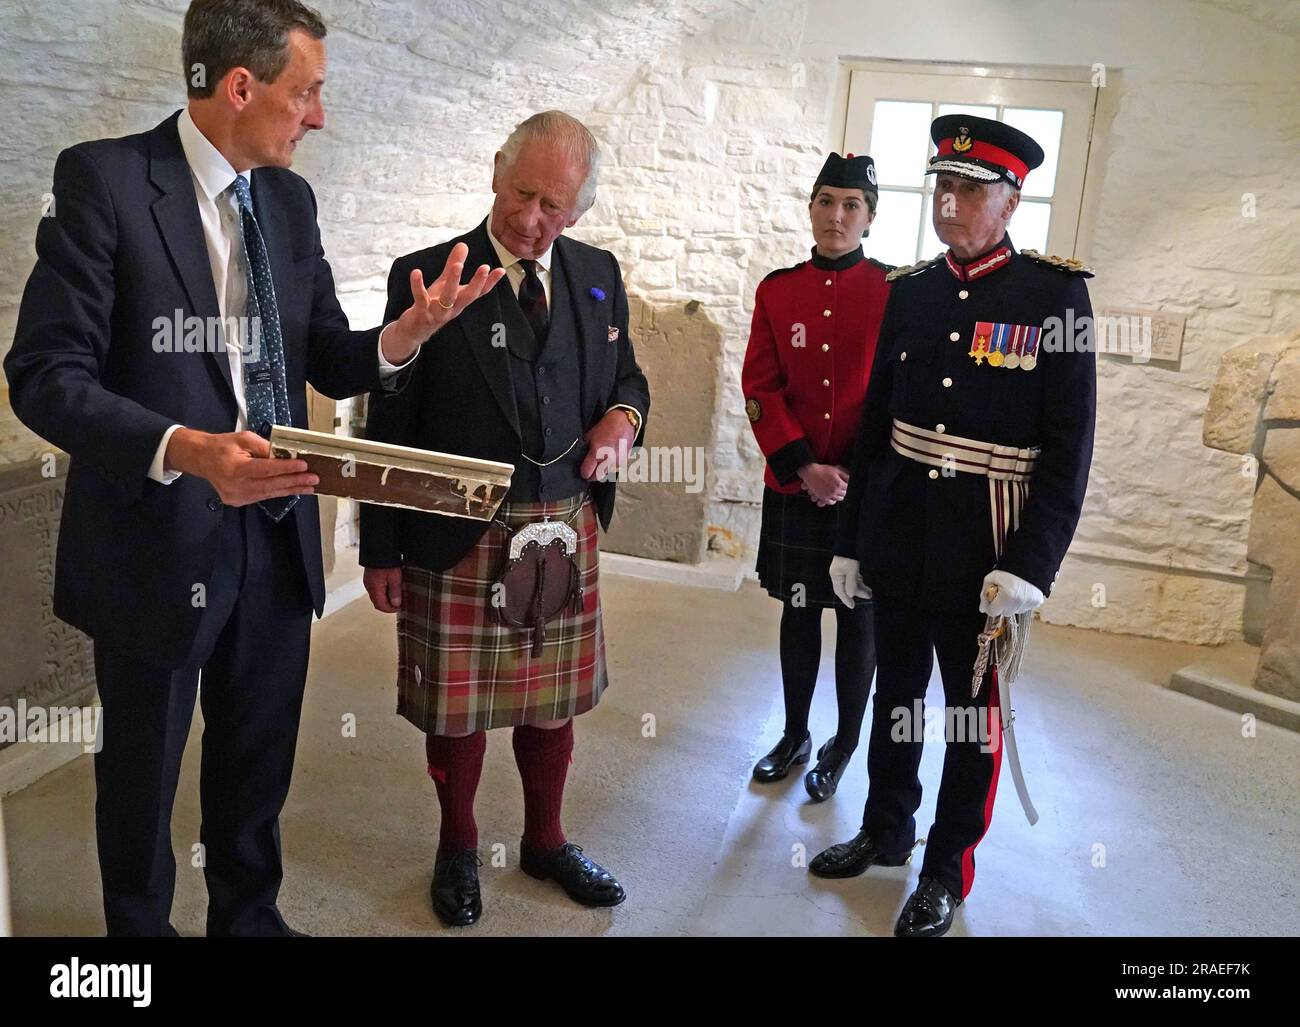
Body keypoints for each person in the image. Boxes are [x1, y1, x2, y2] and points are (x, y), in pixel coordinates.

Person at [3, 0, 502, 936]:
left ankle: (247, 917)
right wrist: (189, 453)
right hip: (157, 533)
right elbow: (43, 376)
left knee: (258, 749)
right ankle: (138, 941)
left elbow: (319, 352)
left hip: (276, 529)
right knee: (143, 771)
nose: (318, 115)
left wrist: (404, 335)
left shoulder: (287, 198)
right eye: (306, 92)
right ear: (241, 86)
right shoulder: (105, 182)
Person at [361, 111, 651, 928]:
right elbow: (388, 415)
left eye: (554, 206)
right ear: (496, 171)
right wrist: (379, 545)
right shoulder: (426, 273)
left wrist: (624, 419)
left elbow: (628, 376)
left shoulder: (598, 274)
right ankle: (457, 845)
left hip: (563, 517)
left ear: (579, 211)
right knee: (458, 705)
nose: (532, 220)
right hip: (455, 526)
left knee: (549, 699)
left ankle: (546, 840)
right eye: (522, 193)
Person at [815, 115, 1096, 937]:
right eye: (943, 185)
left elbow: (1070, 447)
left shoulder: (1055, 295)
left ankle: (946, 868)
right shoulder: (912, 290)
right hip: (900, 533)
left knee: (970, 721)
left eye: (970, 189)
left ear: (1010, 202)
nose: (950, 202)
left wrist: (1031, 563)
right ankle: (886, 828)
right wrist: (851, 540)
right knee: (894, 692)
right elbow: (876, 427)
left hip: (988, 546)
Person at [741, 153, 891, 801]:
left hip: (866, 492)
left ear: (870, 217)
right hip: (797, 486)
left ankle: (843, 745)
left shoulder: (895, 290)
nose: (837, 215)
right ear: (810, 208)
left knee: (859, 620)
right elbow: (760, 385)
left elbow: (896, 392)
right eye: (826, 201)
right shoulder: (777, 290)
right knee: (799, 612)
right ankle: (796, 733)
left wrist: (851, 472)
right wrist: (805, 464)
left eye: (851, 205)